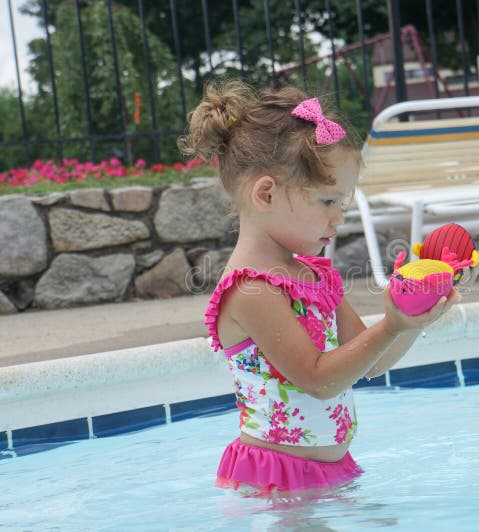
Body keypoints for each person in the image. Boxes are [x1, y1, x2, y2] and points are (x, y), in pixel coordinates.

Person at [179, 79, 460, 497]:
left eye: (343, 205)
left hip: (330, 473)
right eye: (328, 202)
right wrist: (389, 327)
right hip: (275, 483)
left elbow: (368, 362)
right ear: (267, 194)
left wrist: (409, 321)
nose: (338, 219)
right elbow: (318, 379)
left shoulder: (314, 274)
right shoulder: (251, 290)